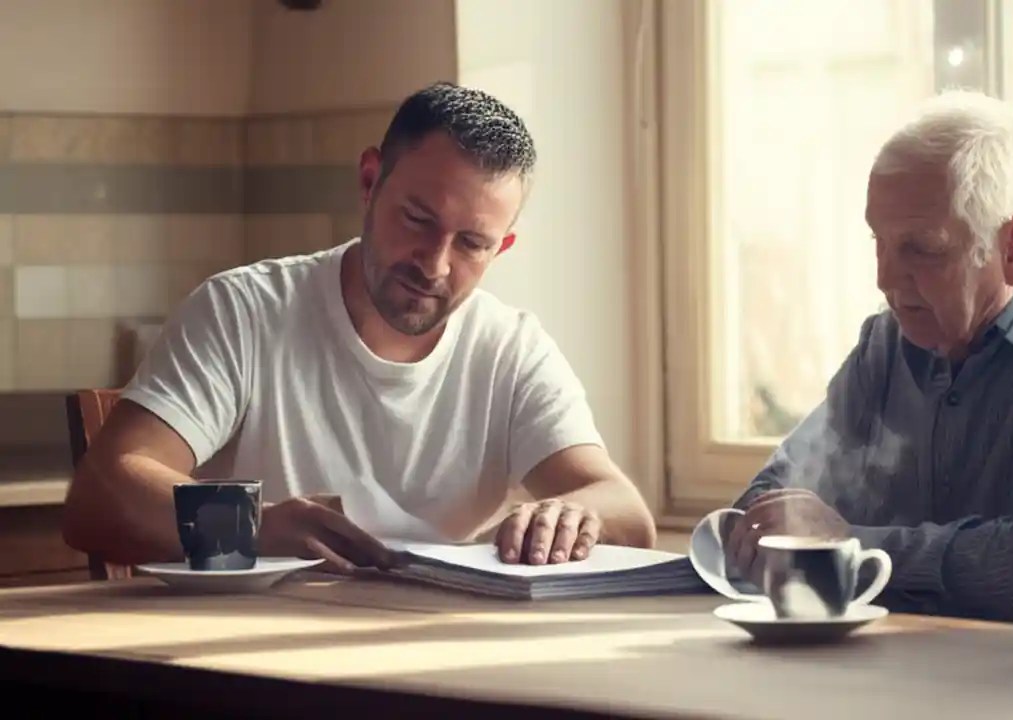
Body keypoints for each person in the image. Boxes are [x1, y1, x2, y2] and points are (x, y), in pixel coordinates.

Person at [63, 82, 656, 573]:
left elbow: (625, 511)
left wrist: (574, 515)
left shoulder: (512, 349)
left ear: (502, 247)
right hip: (248, 665)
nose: (435, 263)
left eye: (472, 244)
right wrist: (253, 528)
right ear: (370, 181)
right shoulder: (244, 311)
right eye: (417, 219)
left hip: (423, 661)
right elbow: (101, 497)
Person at [725, 90, 1013, 622]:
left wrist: (852, 546)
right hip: (926, 675)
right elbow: (768, 504)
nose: (884, 279)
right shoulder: (889, 344)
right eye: (878, 243)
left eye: (921, 249)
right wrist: (785, 523)